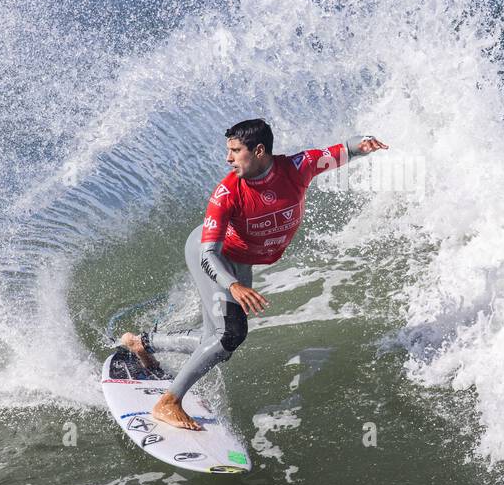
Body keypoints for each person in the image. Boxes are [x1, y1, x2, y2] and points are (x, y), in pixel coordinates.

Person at [120, 118, 388, 429]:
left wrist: (363, 144)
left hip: (240, 260)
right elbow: (209, 254)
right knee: (229, 335)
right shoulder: (227, 193)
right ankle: (169, 402)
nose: (228, 158)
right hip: (215, 257)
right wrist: (232, 285)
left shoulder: (299, 167)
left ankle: (142, 343)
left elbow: (343, 150)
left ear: (259, 151)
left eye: (235, 150)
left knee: (217, 343)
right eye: (228, 150)